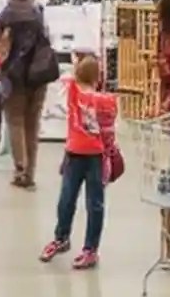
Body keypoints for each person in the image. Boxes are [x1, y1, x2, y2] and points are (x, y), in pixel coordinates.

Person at [39, 56, 116, 269]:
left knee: (89, 203)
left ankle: (89, 249)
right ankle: (63, 238)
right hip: (75, 154)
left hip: (94, 157)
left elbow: (108, 131)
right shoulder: (75, 92)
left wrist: (108, 157)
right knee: (71, 200)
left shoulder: (102, 101)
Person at [0, 0, 56, 190]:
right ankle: (30, 173)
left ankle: (20, 168)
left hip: (13, 77)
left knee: (15, 122)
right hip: (38, 76)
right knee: (32, 124)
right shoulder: (38, 13)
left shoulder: (7, 14)